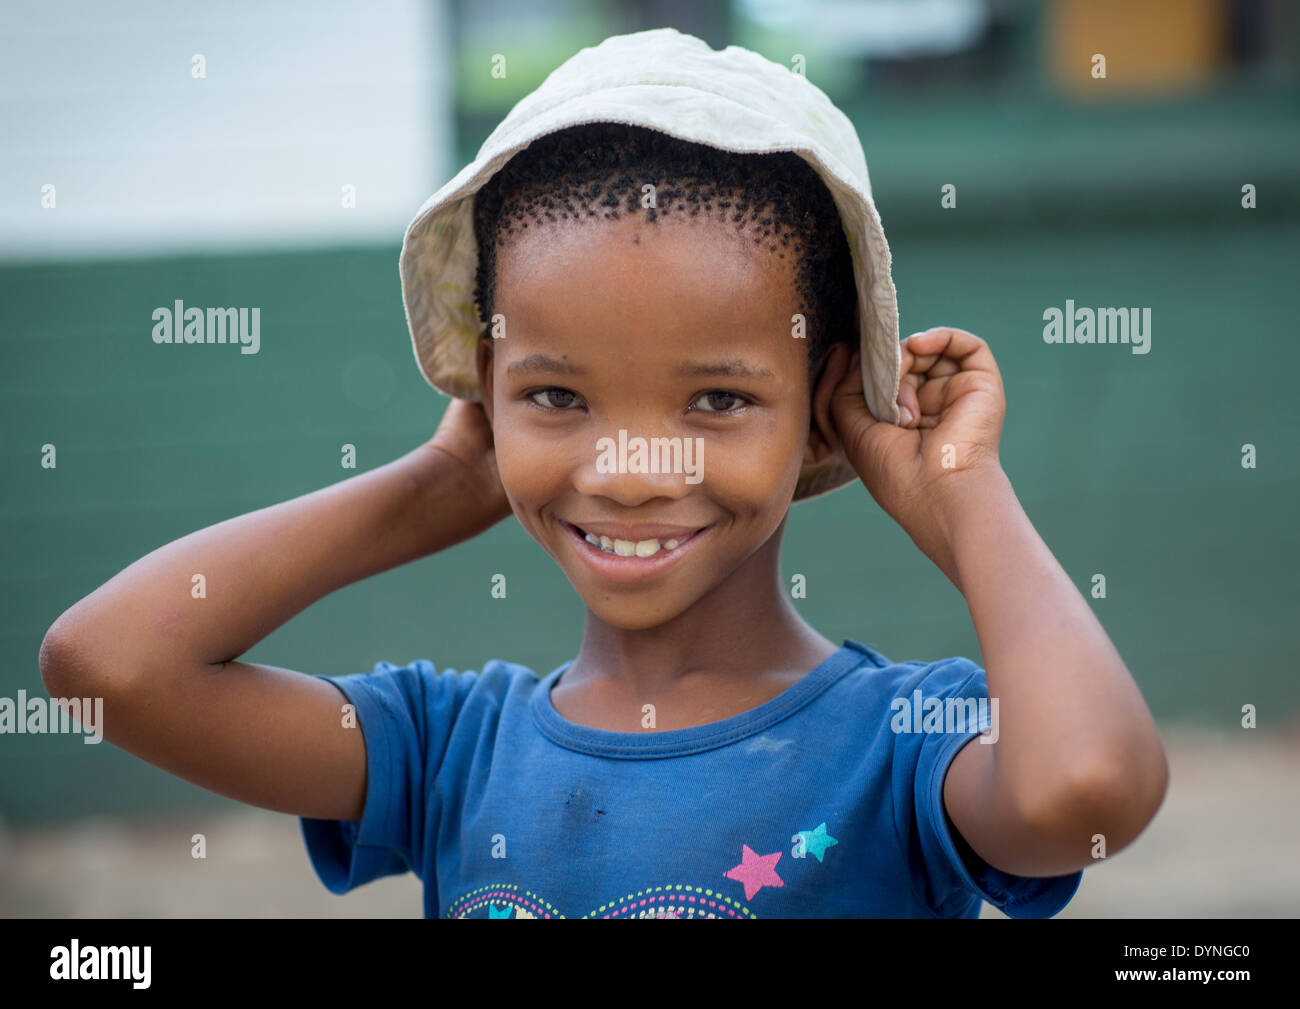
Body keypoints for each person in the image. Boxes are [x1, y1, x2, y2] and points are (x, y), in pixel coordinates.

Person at [39, 29, 1167, 919]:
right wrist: (434, 488)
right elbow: (106, 665)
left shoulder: (902, 739)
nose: (627, 471)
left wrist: (963, 491)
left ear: (823, 412)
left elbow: (1088, 791)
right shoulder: (449, 748)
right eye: (557, 397)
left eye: (717, 400)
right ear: (484, 391)